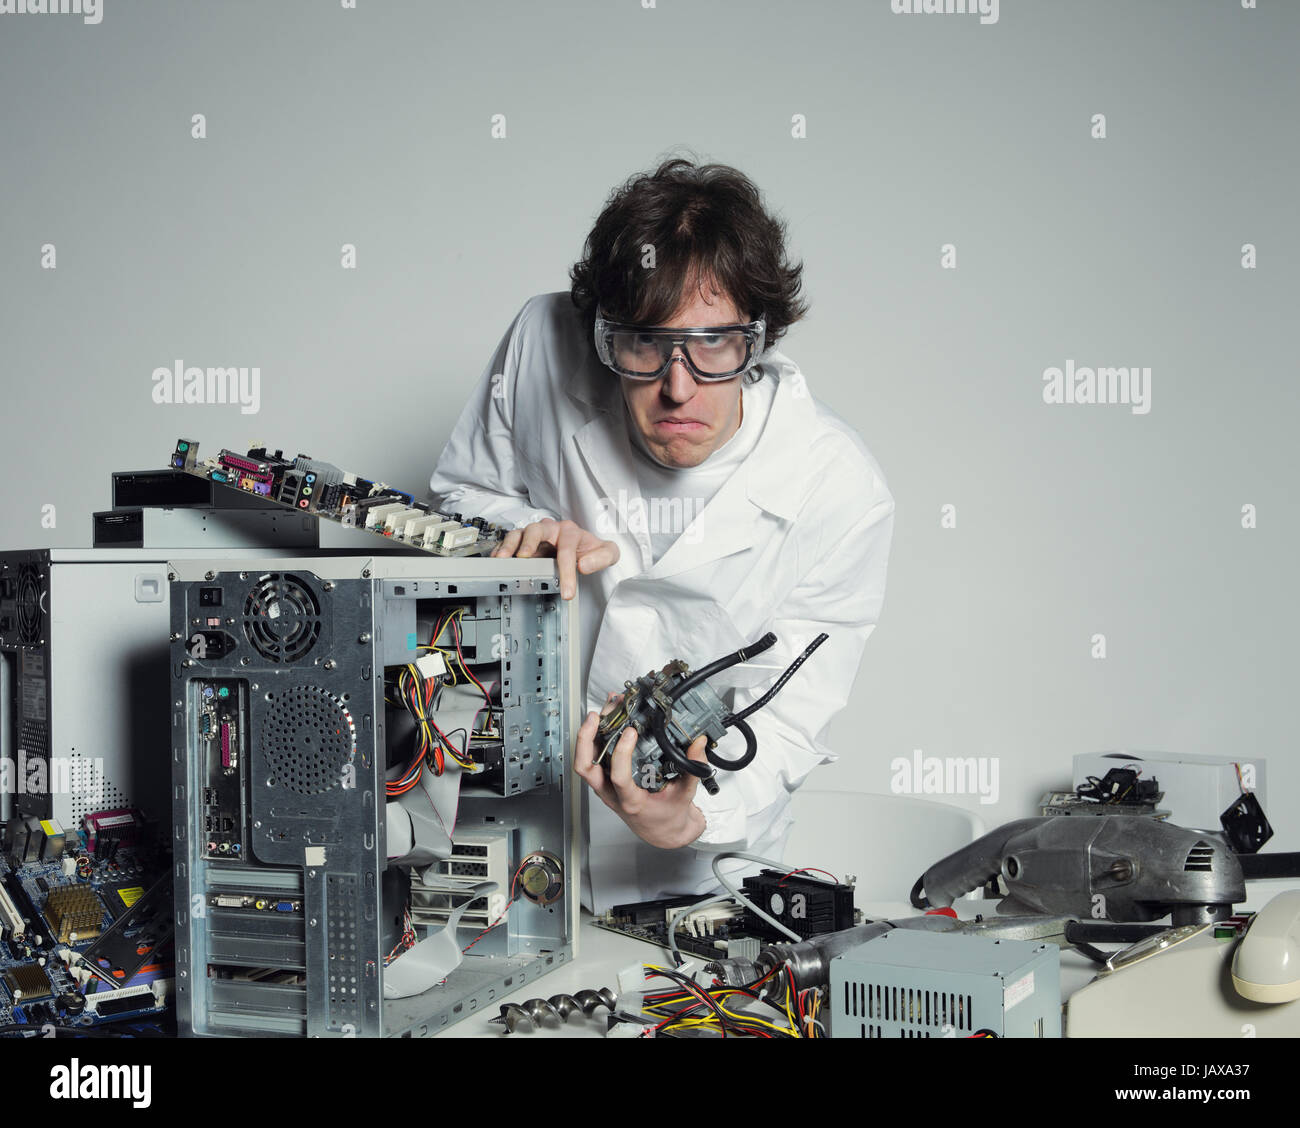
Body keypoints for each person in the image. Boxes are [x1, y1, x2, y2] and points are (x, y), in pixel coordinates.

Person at [429, 157, 895, 913]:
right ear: (601, 333)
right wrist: (520, 537)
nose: (678, 386)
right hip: (518, 831)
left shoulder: (838, 490)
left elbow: (794, 721)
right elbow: (462, 492)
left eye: (715, 345)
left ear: (762, 337)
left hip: (704, 879)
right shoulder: (542, 344)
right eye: (645, 345)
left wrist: (688, 816)